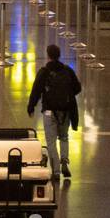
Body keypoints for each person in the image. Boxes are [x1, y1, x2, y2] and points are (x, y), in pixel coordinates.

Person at [27, 43, 82, 180]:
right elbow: (77, 88)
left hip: (49, 111)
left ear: (48, 55)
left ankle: (56, 170)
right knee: (64, 137)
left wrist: (31, 106)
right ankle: (65, 161)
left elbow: (36, 90)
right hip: (66, 111)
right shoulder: (68, 70)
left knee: (51, 142)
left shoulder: (44, 71)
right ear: (59, 55)